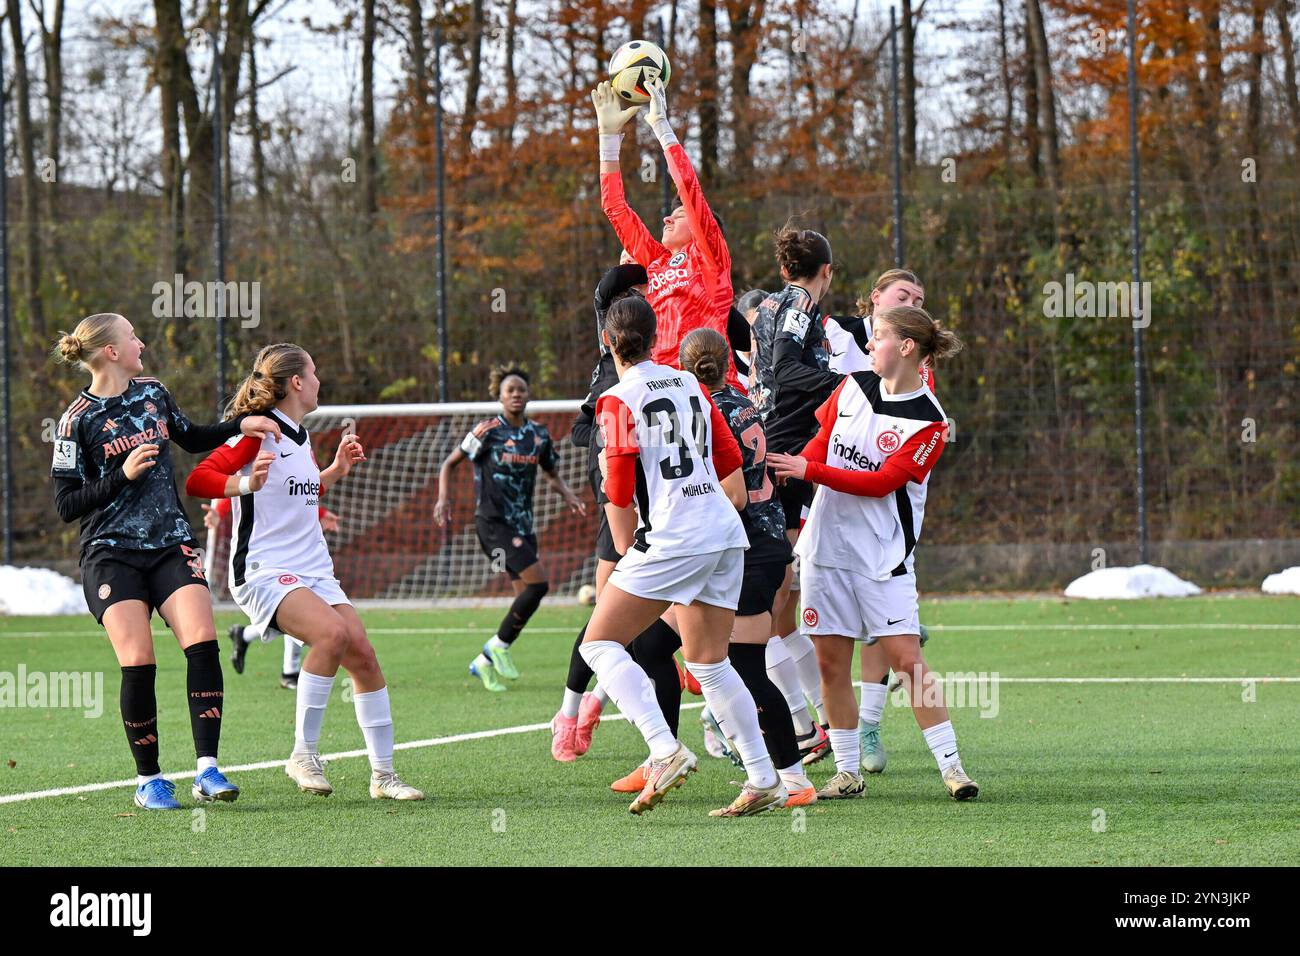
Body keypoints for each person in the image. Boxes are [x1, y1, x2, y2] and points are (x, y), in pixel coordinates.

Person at [50, 312, 283, 810]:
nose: (142, 342)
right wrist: (123, 475)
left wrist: (243, 424)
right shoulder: (76, 420)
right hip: (110, 555)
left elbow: (193, 436)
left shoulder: (153, 391)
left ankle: (208, 770)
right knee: (139, 662)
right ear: (111, 351)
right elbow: (67, 506)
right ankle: (148, 780)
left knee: (201, 644)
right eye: (133, 336)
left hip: (170, 543)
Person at [185, 342, 424, 801]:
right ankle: (302, 754)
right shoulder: (257, 433)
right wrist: (244, 483)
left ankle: (384, 775)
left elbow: (301, 489)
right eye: (313, 372)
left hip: (312, 568)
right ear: (296, 382)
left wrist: (334, 470)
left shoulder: (300, 433)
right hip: (263, 569)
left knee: (364, 655)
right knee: (331, 635)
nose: (318, 380)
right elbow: (198, 480)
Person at [578, 296, 786, 817]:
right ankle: (764, 778)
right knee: (710, 664)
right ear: (656, 337)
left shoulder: (616, 401)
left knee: (598, 644)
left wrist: (624, 496)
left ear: (609, 343)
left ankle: (663, 748)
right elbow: (728, 458)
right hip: (723, 531)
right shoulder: (691, 383)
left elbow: (620, 492)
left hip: (676, 538)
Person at [769, 305, 979, 801]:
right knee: (829, 663)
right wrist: (804, 465)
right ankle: (847, 772)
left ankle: (953, 769)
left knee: (907, 659)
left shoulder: (931, 422)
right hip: (827, 549)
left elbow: (882, 483)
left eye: (879, 336)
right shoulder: (852, 385)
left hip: (883, 558)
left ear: (906, 347)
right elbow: (821, 441)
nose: (869, 345)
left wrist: (807, 472)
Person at [679, 328, 817, 806]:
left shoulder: (703, 414)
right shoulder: (744, 403)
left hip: (742, 547)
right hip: (768, 540)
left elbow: (726, 492)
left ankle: (780, 776)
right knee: (663, 643)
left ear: (684, 368)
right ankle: (787, 777)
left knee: (745, 669)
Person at [825, 268, 931, 774]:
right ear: (875, 301)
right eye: (904, 295)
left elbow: (890, 470)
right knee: (813, 630)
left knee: (885, 639)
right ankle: (808, 728)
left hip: (874, 524)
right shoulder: (838, 336)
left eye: (919, 299)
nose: (914, 301)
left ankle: (866, 727)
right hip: (826, 505)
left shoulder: (914, 376)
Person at [748, 226, 841, 764]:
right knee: (773, 604)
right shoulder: (801, 302)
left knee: (779, 604)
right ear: (825, 271)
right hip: (784, 451)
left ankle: (816, 723)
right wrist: (844, 384)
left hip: (779, 446)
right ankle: (808, 723)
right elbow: (784, 368)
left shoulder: (774, 304)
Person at [434, 366, 585, 692]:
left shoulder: (539, 435)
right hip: (492, 523)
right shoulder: (487, 431)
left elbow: (550, 473)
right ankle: (497, 647)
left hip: (523, 525)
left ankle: (483, 663)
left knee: (525, 598)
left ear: (528, 394)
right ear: (499, 396)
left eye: (520, 389)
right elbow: (449, 463)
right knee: (539, 585)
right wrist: (443, 500)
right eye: (509, 390)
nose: (515, 394)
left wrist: (569, 494)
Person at [592, 77, 742, 389]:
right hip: (666, 392)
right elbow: (615, 208)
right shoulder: (657, 262)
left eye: (678, 215)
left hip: (714, 390)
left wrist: (661, 126)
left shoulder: (709, 257)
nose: (666, 220)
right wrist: (608, 137)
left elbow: (689, 188)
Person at [203, 495, 338, 689]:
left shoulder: (300, 465)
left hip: (296, 549)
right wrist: (220, 511)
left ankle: (246, 636)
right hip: (268, 555)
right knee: (302, 609)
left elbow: (295, 495)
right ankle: (289, 671)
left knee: (304, 609)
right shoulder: (260, 465)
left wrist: (320, 513)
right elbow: (239, 483)